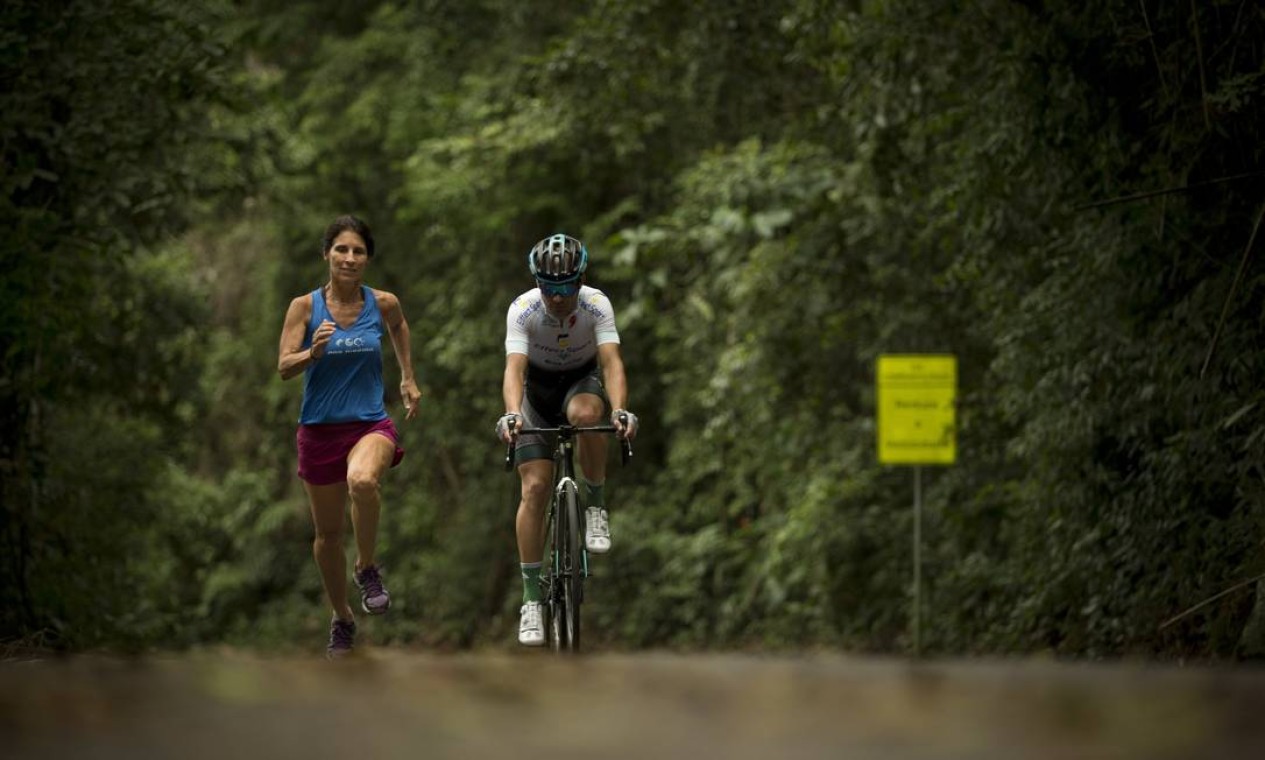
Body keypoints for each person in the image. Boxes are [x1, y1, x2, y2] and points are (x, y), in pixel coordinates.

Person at [277, 214, 422, 659]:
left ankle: (366, 567)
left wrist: (407, 376)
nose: (349, 257)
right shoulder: (304, 308)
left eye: (358, 251)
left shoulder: (383, 304)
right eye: (341, 249)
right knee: (327, 536)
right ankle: (342, 616)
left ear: (367, 259)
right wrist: (313, 352)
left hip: (368, 424)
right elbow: (284, 366)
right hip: (319, 430)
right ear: (326, 254)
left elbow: (399, 326)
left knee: (362, 481)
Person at [495, 233, 639, 646]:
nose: (557, 297)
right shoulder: (523, 309)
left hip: (580, 383)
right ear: (536, 283)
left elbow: (611, 363)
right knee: (535, 487)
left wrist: (620, 410)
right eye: (548, 287)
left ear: (581, 280)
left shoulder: (597, 304)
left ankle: (595, 504)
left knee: (587, 415)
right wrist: (511, 413)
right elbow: (514, 369)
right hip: (537, 394)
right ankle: (531, 599)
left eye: (566, 287)